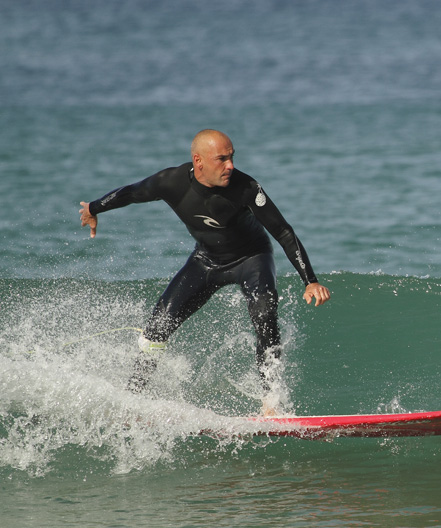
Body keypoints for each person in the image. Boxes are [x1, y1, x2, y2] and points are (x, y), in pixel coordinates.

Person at [79, 129, 330, 414]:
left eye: (232, 157)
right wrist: (94, 208)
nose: (230, 166)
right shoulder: (171, 182)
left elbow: (283, 232)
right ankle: (132, 398)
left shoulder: (246, 187)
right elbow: (132, 193)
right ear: (198, 161)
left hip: (252, 258)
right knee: (156, 330)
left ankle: (270, 403)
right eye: (221, 159)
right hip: (207, 260)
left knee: (264, 313)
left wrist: (310, 280)